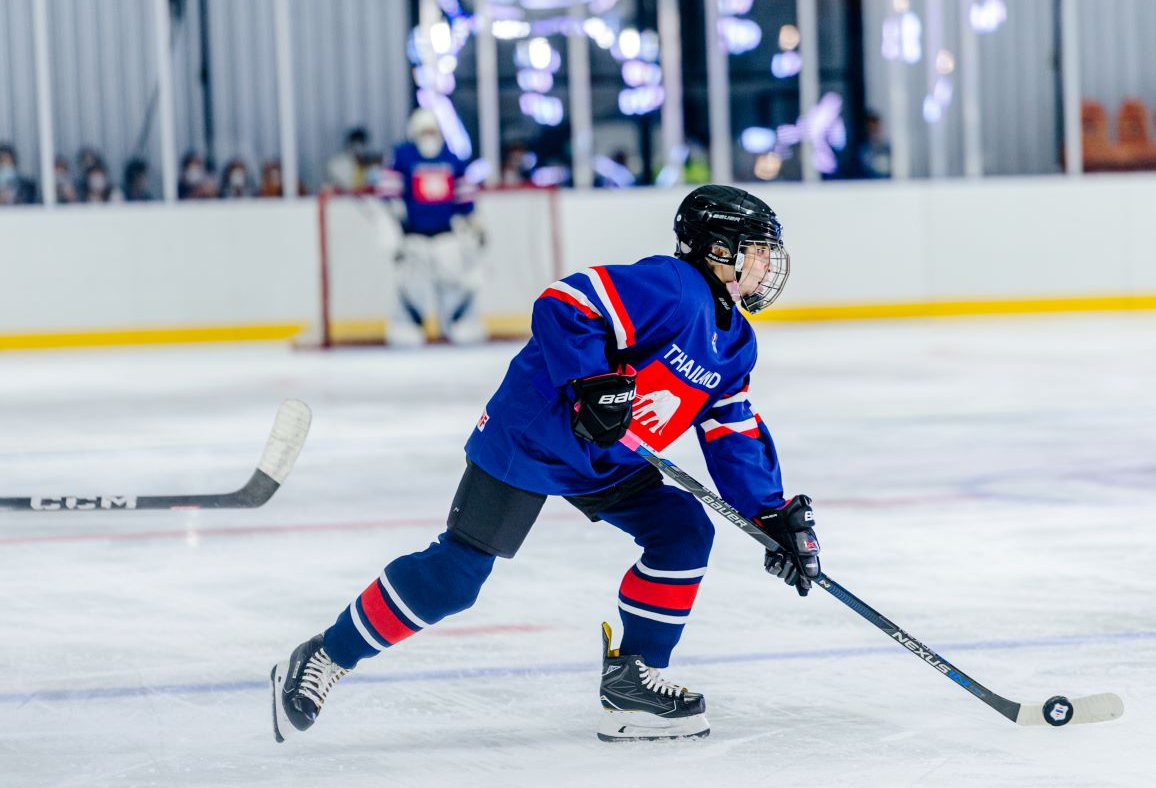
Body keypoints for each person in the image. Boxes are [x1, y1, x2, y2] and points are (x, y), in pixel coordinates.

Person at [271, 185, 822, 743]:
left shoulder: (737, 345)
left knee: (682, 529)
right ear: (718, 250)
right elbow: (567, 301)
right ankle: (325, 654)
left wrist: (769, 514)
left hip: (608, 456)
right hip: (536, 434)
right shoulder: (674, 288)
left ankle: (632, 682)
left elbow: (732, 430)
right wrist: (593, 380)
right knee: (457, 576)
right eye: (756, 249)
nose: (766, 264)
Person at [380, 107, 486, 346]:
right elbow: (390, 198)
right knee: (411, 285)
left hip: (446, 235)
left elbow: (466, 201)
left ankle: (458, 322)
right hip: (414, 237)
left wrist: (475, 226)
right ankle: (406, 324)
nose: (428, 136)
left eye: (432, 131)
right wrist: (393, 231)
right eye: (424, 131)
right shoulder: (402, 157)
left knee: (456, 281)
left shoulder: (452, 158)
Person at [325, 126, 370, 192]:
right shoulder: (335, 165)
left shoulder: (370, 165)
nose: (358, 149)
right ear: (349, 145)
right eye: (354, 144)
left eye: (361, 144)